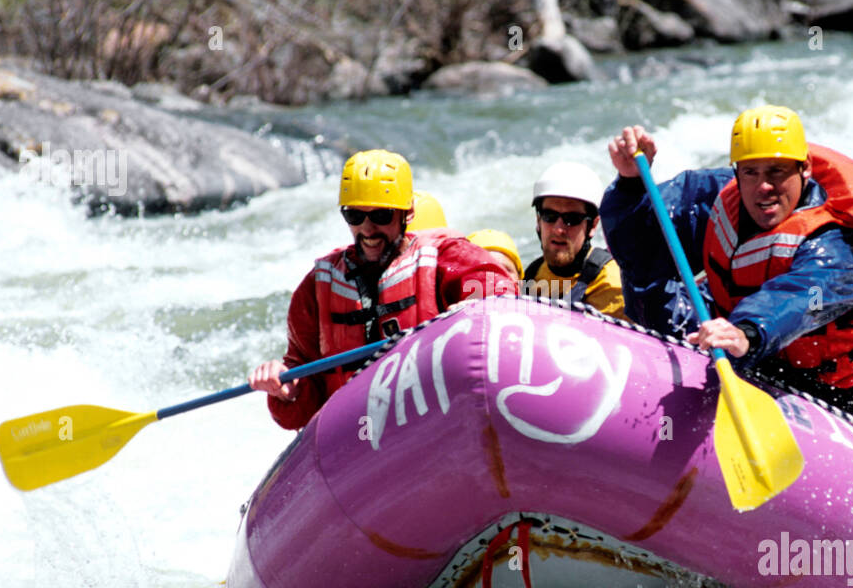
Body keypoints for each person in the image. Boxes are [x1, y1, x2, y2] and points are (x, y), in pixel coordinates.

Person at [604, 106, 853, 436]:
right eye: (751, 172)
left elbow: (800, 299)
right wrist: (631, 184)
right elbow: (641, 251)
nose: (763, 187)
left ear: (804, 168)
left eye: (777, 172)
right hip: (751, 356)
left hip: (838, 391)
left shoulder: (839, 247)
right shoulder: (716, 198)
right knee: (655, 296)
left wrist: (747, 332)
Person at [250, 149, 520, 430]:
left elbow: (503, 299)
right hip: (359, 434)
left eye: (381, 215)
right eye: (354, 215)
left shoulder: (446, 257)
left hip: (437, 423)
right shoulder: (317, 288)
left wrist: (479, 311)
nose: (367, 230)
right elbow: (301, 405)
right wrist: (287, 389)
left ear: (408, 213)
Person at [522, 161, 626, 318]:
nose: (558, 229)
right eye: (549, 216)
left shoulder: (613, 284)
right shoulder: (532, 274)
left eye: (572, 219)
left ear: (593, 226)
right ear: (538, 221)